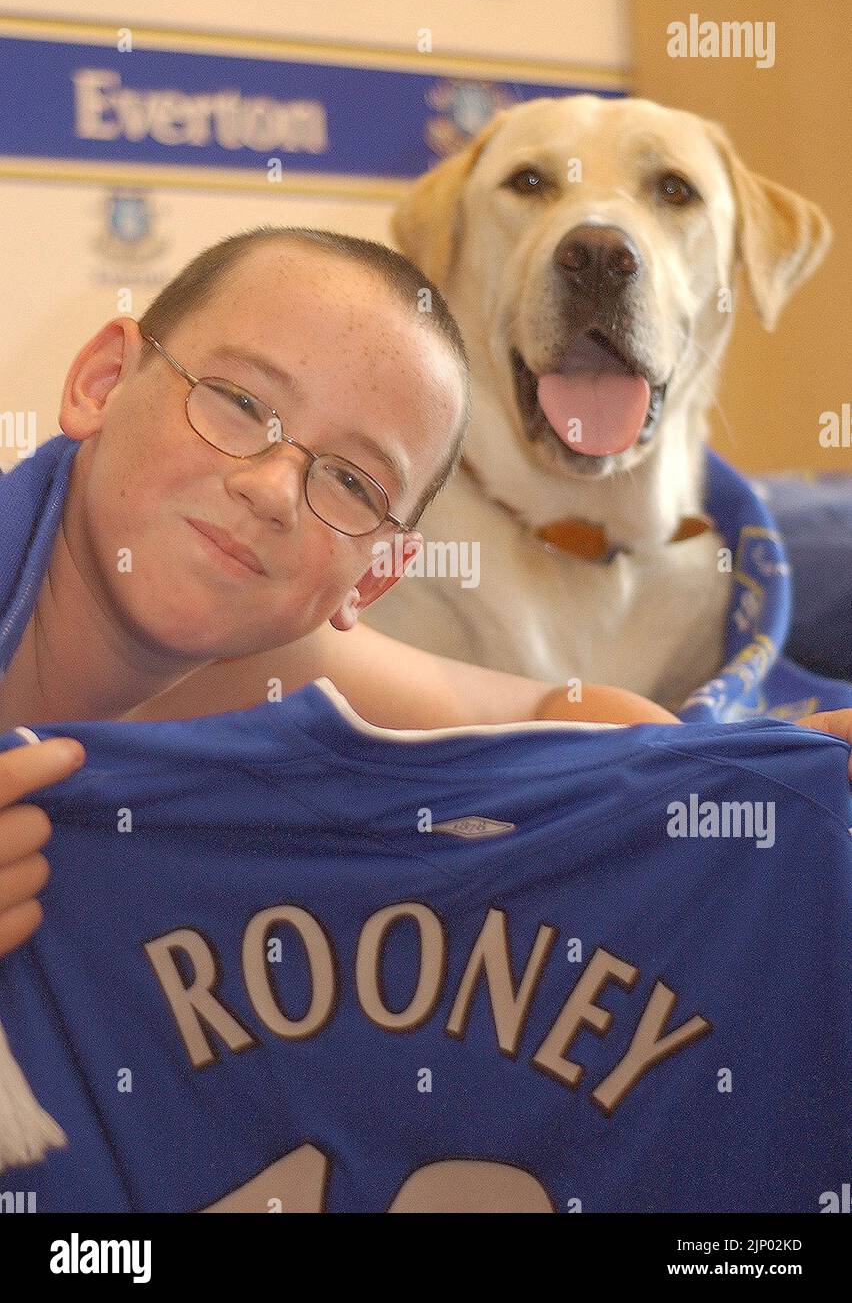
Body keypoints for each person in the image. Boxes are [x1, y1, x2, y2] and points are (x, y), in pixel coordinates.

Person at [0, 226, 849, 964]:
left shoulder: (261, 656)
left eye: (352, 483)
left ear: (373, 575)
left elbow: (558, 714)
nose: (270, 489)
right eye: (239, 402)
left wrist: (776, 766)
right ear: (102, 382)